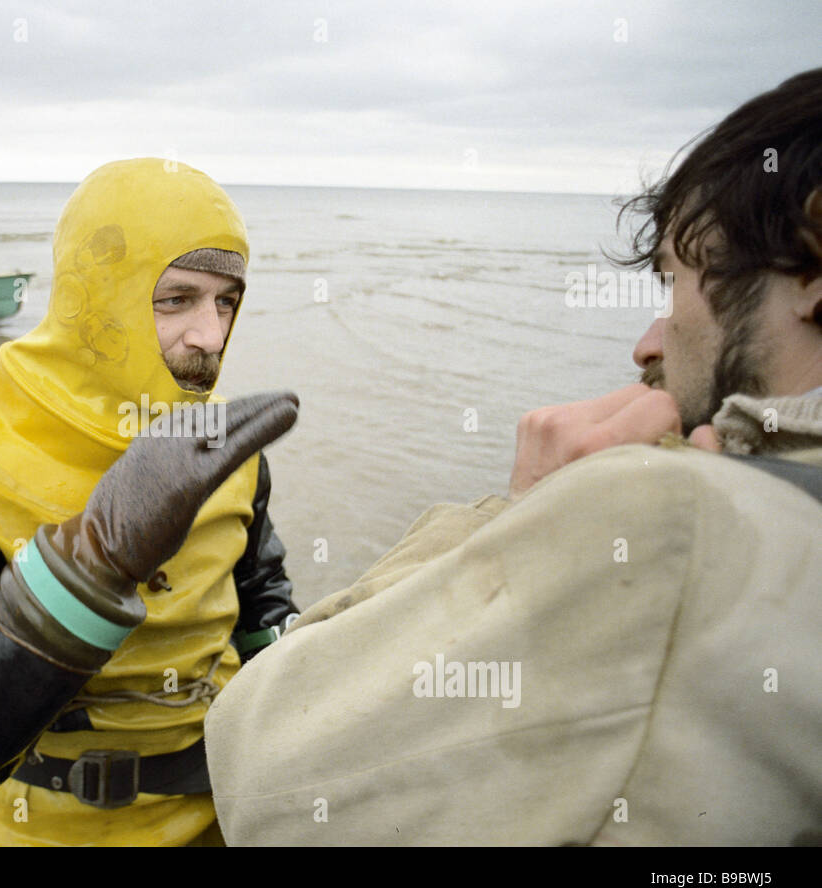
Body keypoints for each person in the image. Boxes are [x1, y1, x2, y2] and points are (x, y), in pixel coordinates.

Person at [203, 69, 822, 846]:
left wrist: (525, 514)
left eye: (674, 285)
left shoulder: (673, 519)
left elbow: (261, 777)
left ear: (812, 268)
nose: (646, 344)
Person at [0, 158, 300, 846]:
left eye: (226, 301)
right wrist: (90, 565)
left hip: (232, 814)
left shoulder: (225, 441)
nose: (211, 335)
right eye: (176, 299)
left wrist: (299, 689)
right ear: (98, 292)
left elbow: (260, 594)